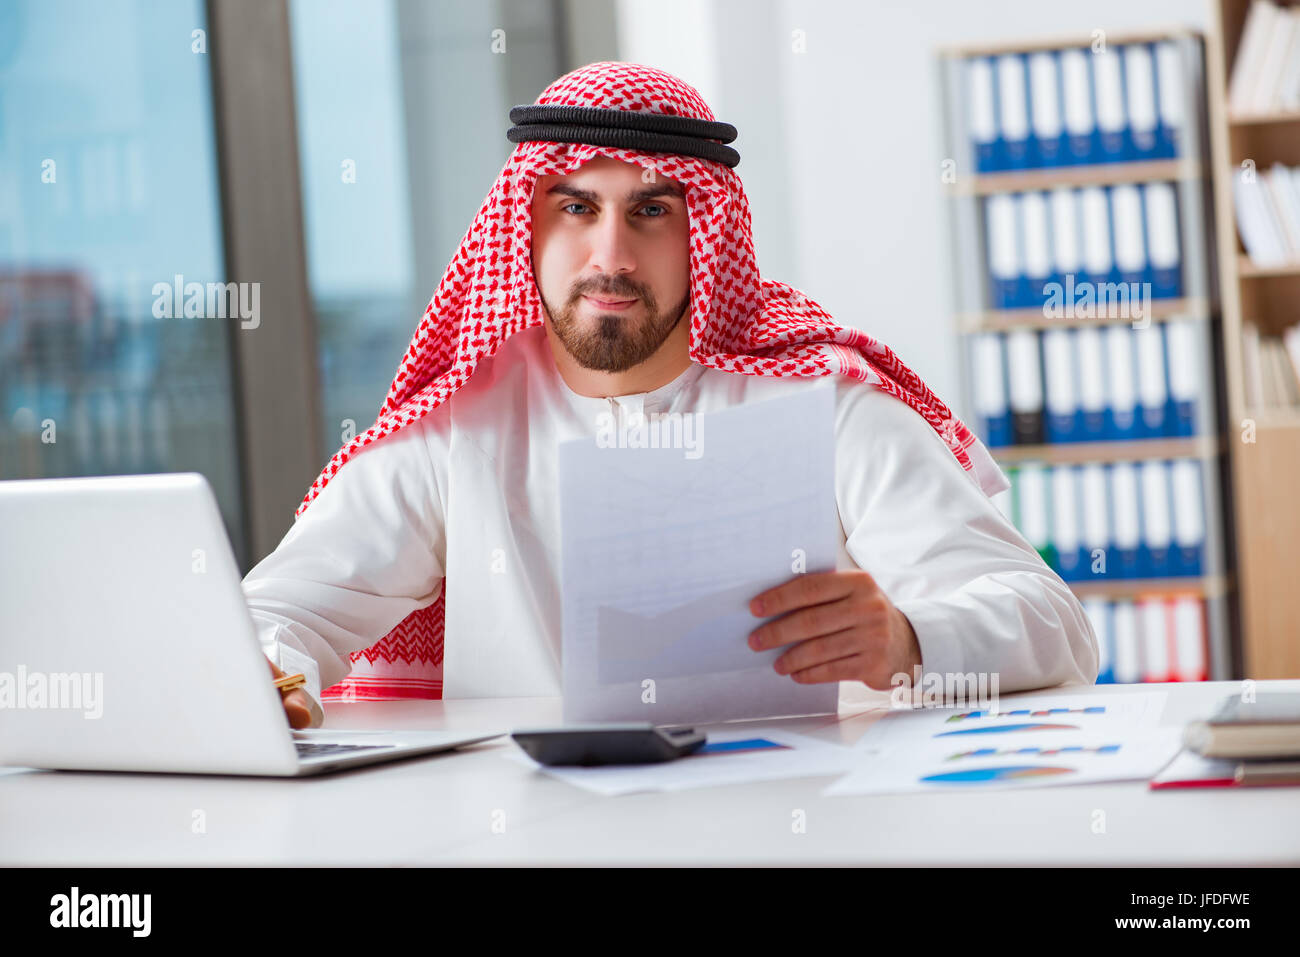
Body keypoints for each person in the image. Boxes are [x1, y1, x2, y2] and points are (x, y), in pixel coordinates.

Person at [243, 61, 1097, 730]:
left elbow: (1052, 622)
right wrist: (269, 678)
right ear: (524, 226)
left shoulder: (823, 405)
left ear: (704, 234)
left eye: (651, 211)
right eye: (576, 207)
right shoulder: (461, 426)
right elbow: (274, 612)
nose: (610, 254)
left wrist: (909, 641)